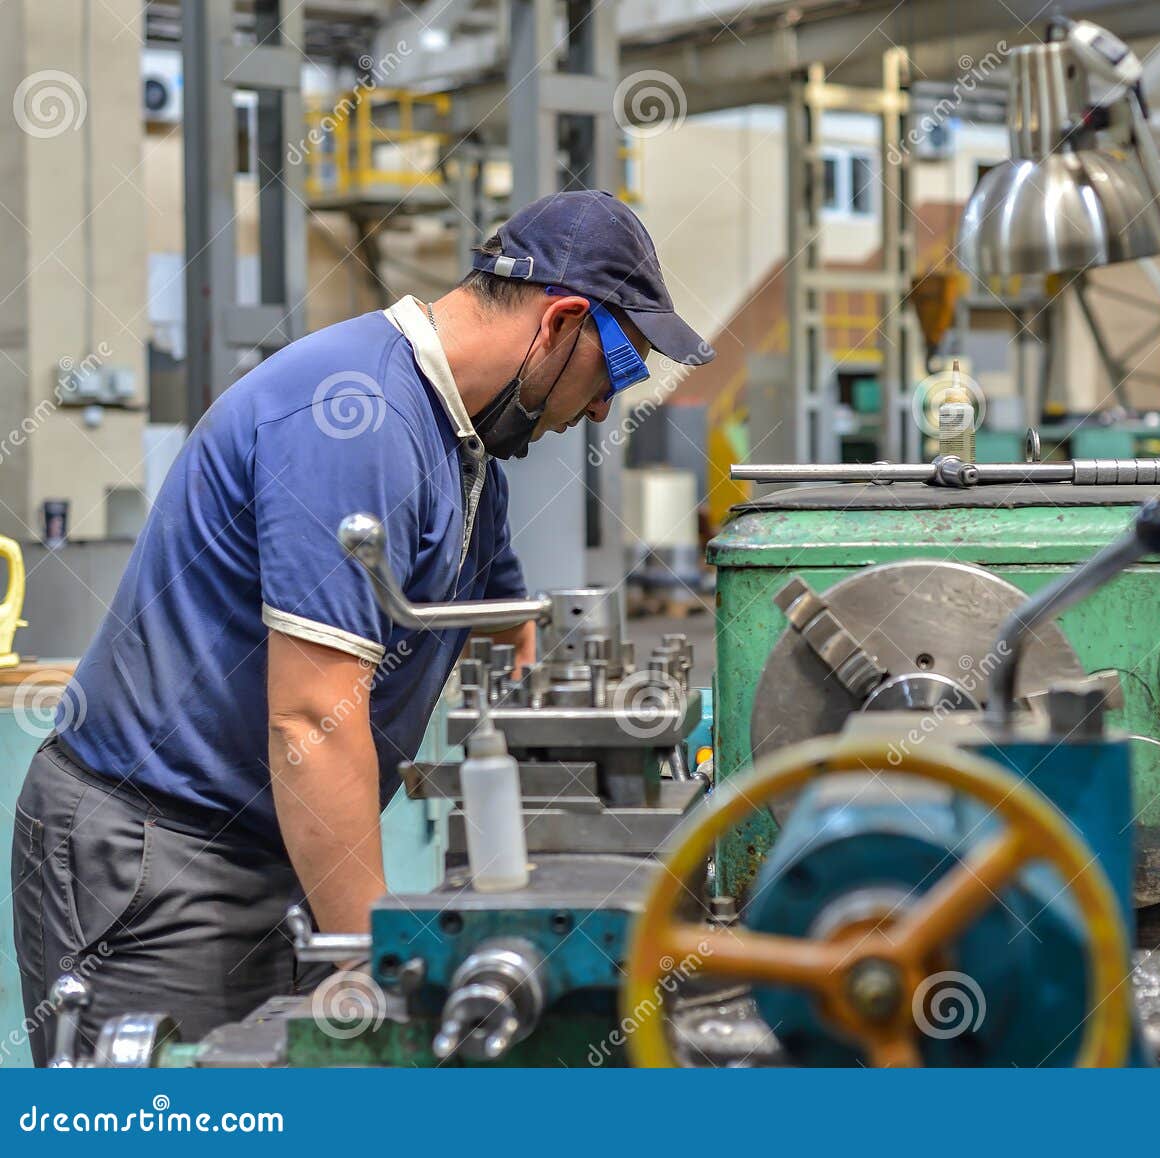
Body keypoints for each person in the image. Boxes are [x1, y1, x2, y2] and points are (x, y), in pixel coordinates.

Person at [10, 189, 712, 1064]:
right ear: (561, 320)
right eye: (617, 368)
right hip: (161, 854)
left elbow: (508, 627)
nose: (605, 408)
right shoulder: (357, 419)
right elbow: (309, 721)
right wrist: (365, 961)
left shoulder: (467, 451)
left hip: (270, 850)